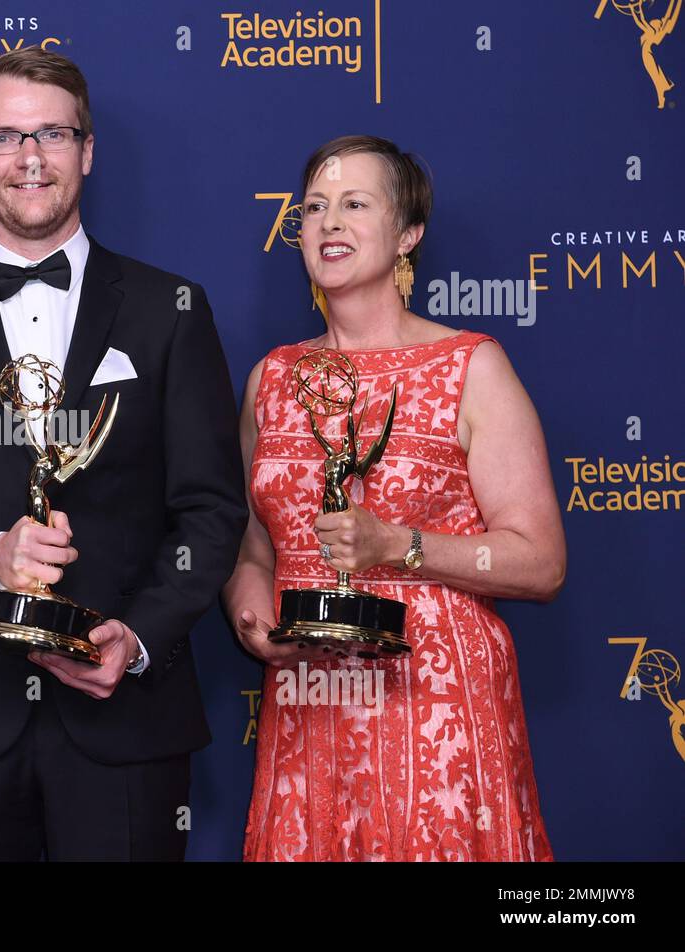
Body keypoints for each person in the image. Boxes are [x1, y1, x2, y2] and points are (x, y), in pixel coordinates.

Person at [0, 46, 247, 861]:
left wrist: (136, 636)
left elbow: (210, 508)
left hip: (125, 720)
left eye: (52, 134)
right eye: (3, 138)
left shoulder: (171, 310)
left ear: (87, 151)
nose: (29, 158)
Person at [225, 135, 565, 861]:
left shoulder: (472, 367)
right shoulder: (273, 379)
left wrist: (398, 547)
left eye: (354, 204)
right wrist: (249, 609)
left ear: (409, 232)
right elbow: (255, 547)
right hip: (312, 707)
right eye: (314, 208)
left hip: (438, 703)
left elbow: (540, 563)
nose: (328, 223)